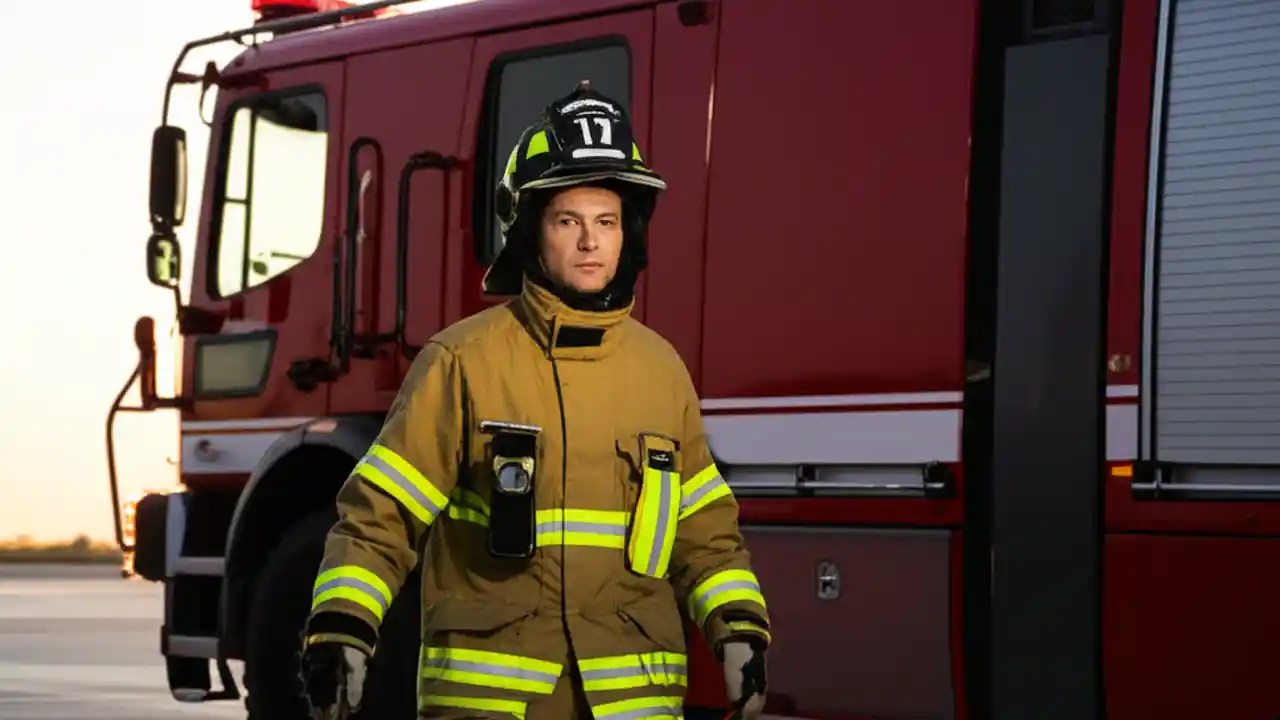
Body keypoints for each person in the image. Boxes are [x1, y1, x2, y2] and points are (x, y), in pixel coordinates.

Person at [299, 81, 770, 719]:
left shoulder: (662, 372)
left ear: (627, 234)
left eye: (606, 222)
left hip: (631, 705)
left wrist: (739, 628)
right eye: (567, 220)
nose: (589, 242)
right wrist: (343, 628)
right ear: (528, 232)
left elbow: (705, 534)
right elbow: (381, 517)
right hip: (492, 704)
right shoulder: (462, 362)